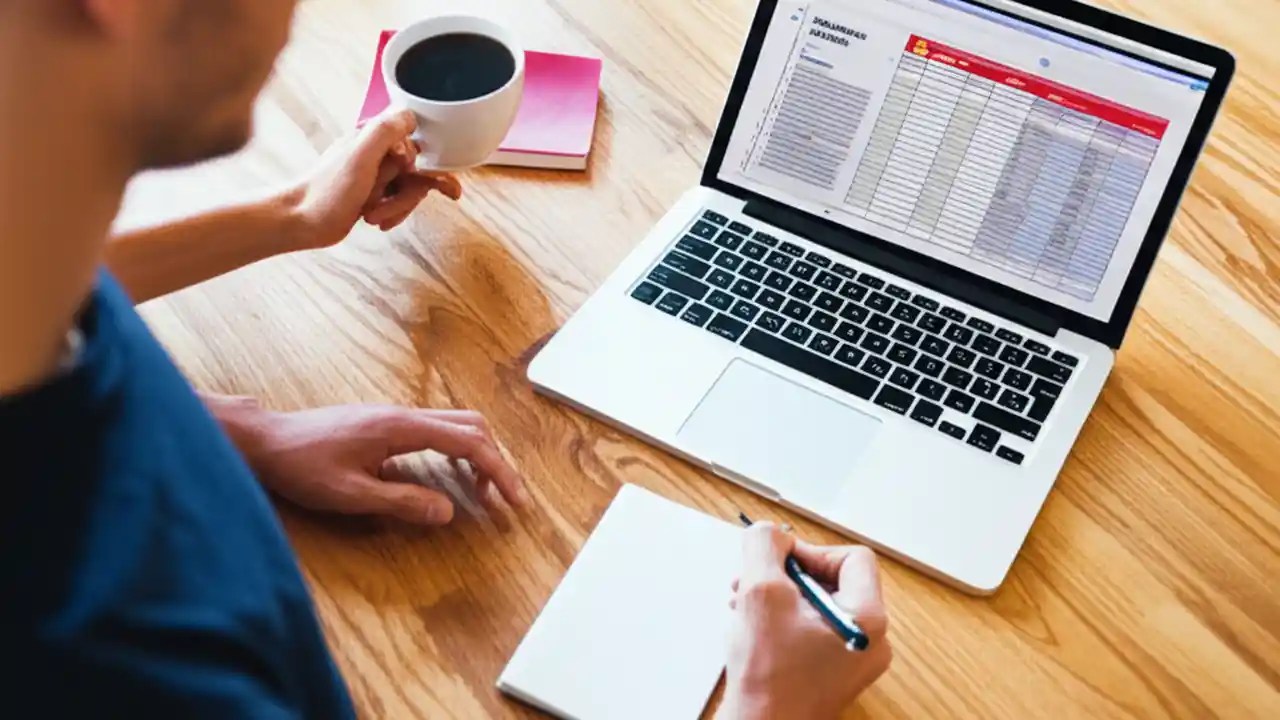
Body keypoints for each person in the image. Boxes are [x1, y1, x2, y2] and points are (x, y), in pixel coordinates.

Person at [0, 0, 890, 717]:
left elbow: (61, 284)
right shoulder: (121, 660)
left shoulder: (36, 278)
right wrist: (770, 705)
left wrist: (234, 422)